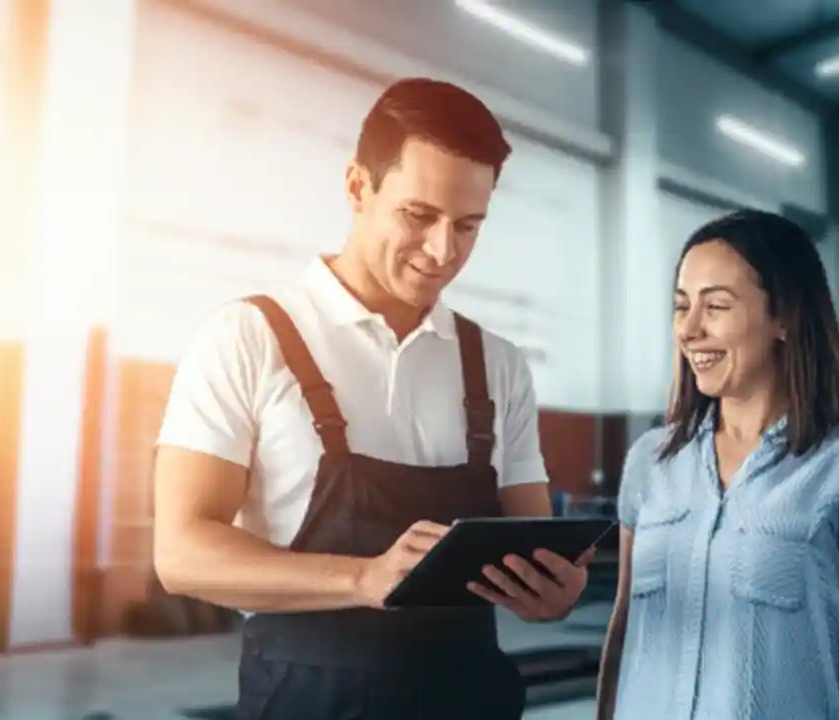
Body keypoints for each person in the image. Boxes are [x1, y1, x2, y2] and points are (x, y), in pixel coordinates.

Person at [151, 77, 592, 720]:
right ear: (359, 187)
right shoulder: (248, 338)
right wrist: (363, 578)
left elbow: (534, 544)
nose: (443, 251)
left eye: (468, 226)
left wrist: (555, 593)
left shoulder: (498, 365)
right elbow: (182, 554)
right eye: (419, 216)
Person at [596, 210, 839, 720]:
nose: (689, 329)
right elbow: (624, 625)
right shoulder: (650, 462)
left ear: (784, 317)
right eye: (681, 306)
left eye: (716, 306)